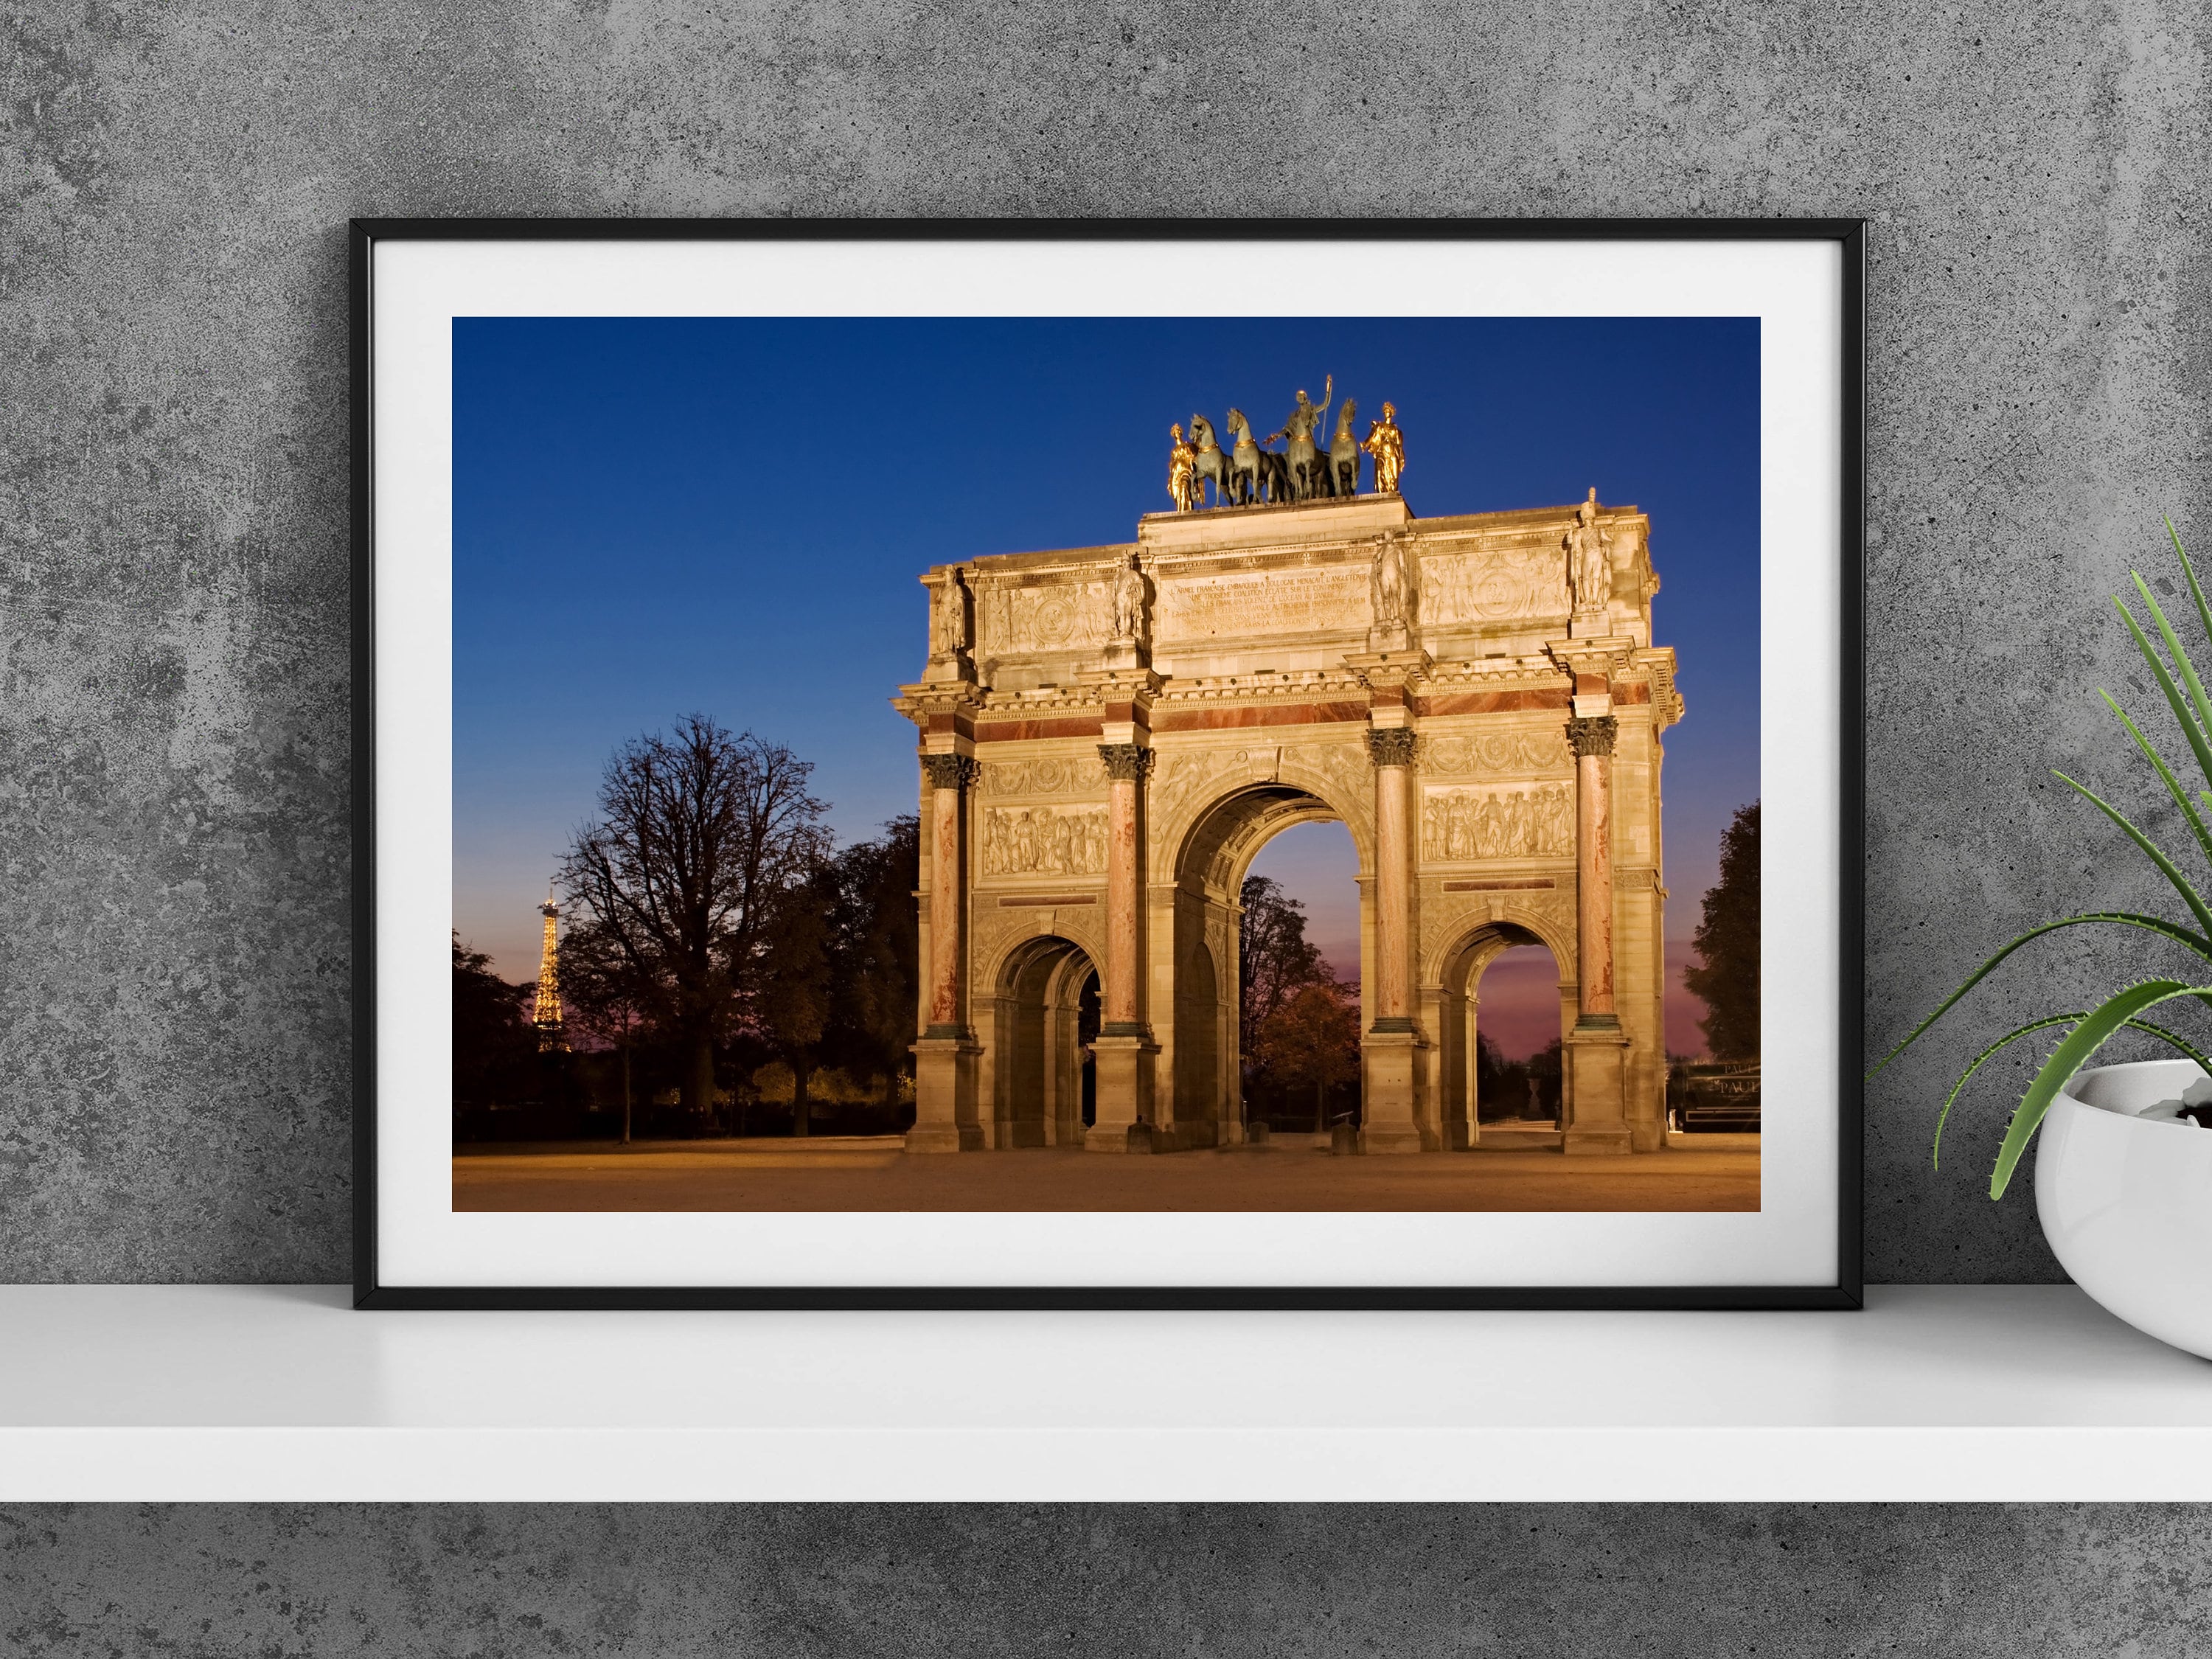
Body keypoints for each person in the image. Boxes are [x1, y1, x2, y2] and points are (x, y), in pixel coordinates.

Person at [1361, 400, 1406, 493]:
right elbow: (1373, 436)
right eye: (1385, 411)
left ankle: (1393, 493)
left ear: (1391, 413)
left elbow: (1400, 446)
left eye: (1388, 410)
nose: (1386, 412)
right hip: (1382, 453)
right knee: (1379, 472)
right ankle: (1381, 493)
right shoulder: (1380, 427)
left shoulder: (1396, 430)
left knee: (1394, 476)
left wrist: (1402, 458)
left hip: (1393, 454)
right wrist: (1365, 444)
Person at [1166, 422, 1198, 512]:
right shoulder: (1173, 451)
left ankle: (1185, 511)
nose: (1177, 433)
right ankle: (1181, 510)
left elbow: (1194, 456)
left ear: (1180, 433)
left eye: (1178, 431)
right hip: (1176, 474)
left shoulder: (1187, 446)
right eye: (1175, 432)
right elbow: (1171, 465)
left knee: (1184, 486)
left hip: (1186, 470)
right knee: (1179, 493)